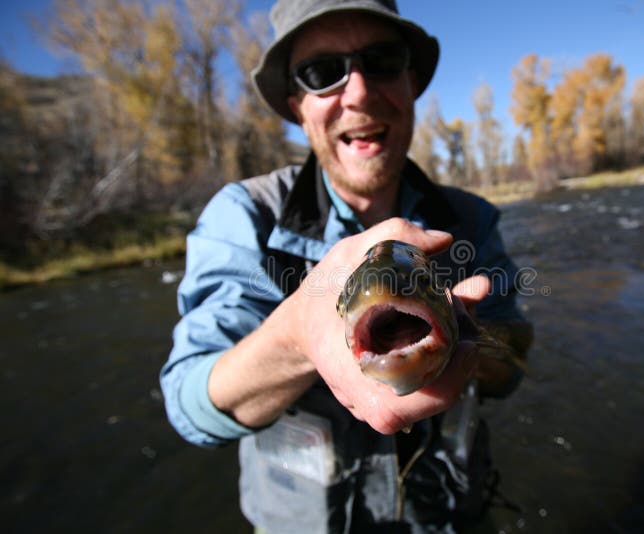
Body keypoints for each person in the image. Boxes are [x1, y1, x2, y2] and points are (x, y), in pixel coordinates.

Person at [160, 0, 533, 532]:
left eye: (382, 60)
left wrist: (469, 340)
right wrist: (296, 337)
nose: (357, 92)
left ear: (410, 83)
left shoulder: (470, 220)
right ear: (297, 105)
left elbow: (514, 361)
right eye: (321, 72)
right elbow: (190, 404)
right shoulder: (243, 218)